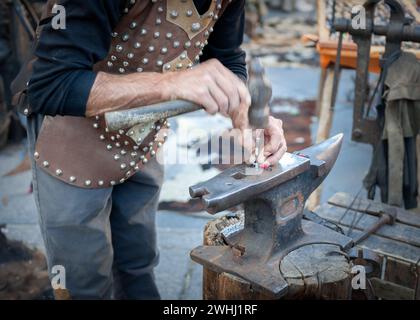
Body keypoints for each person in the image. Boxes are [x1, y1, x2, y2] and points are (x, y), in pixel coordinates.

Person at [16, 0, 287, 299]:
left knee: (138, 261)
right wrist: (172, 83)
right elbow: (51, 84)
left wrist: (248, 116)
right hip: (70, 142)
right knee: (83, 279)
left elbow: (226, 58)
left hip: (141, 139)